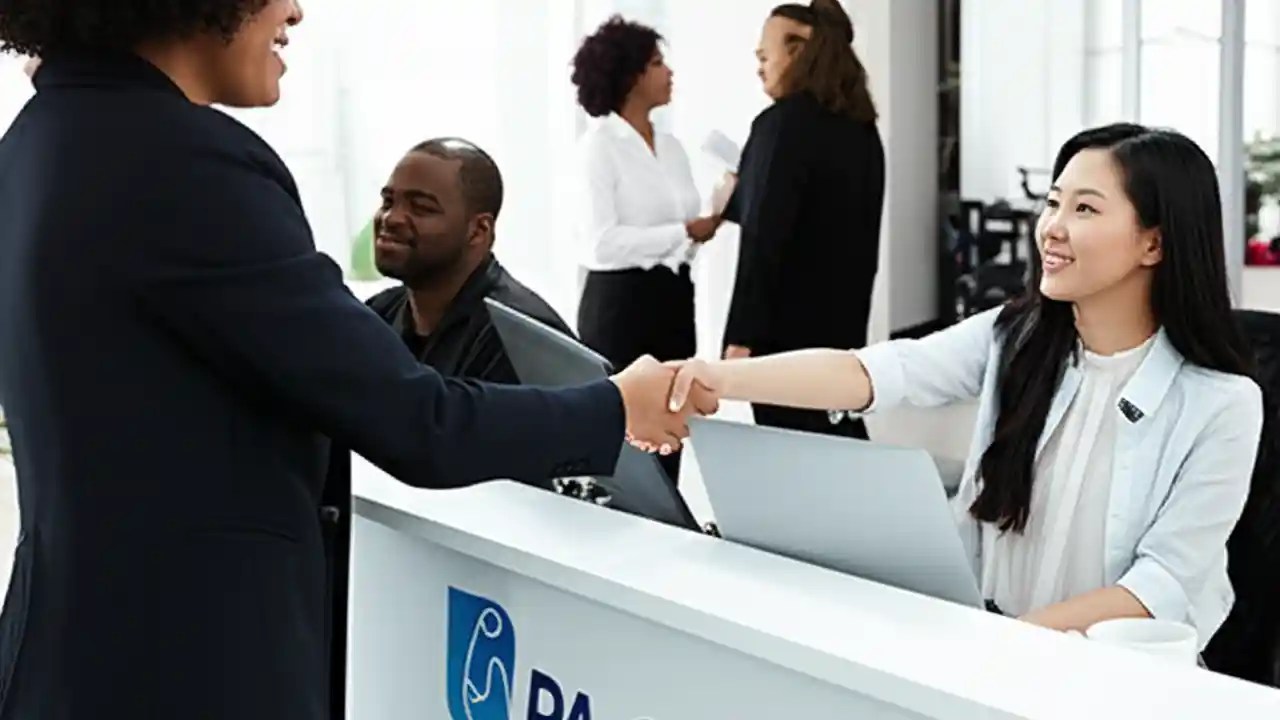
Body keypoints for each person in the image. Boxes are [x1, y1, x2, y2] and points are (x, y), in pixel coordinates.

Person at [0, 2, 715, 719]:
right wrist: (616, 404)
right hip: (186, 665)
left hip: (71, 654)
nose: (295, 10)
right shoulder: (184, 162)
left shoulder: (38, 140)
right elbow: (419, 421)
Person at [666, 123, 1264, 648]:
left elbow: (1161, 585)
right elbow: (875, 372)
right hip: (989, 651)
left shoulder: (1222, 404)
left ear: (1153, 242)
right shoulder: (1015, 337)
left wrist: (1003, 647)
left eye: (1085, 209)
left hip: (1116, 677)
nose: (1052, 228)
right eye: (1053, 203)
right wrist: (715, 377)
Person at [718, 0, 885, 440]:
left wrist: (741, 336)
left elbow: (762, 238)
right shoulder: (862, 130)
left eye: (764, 55)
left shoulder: (779, 125)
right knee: (833, 438)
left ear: (797, 52)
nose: (759, 66)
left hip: (783, 334)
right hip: (841, 326)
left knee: (793, 447)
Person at [571, 15, 719, 485]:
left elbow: (684, 234)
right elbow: (601, 244)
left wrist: (700, 230)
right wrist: (683, 232)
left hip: (673, 299)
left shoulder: (672, 147)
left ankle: (664, 521)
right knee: (621, 441)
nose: (668, 72)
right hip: (620, 305)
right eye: (656, 63)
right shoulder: (598, 147)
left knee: (672, 428)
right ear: (630, 75)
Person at [364, 138, 571, 383]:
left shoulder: (525, 342)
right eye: (388, 202)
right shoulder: (377, 315)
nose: (391, 218)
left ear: (479, 231)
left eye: (421, 207)